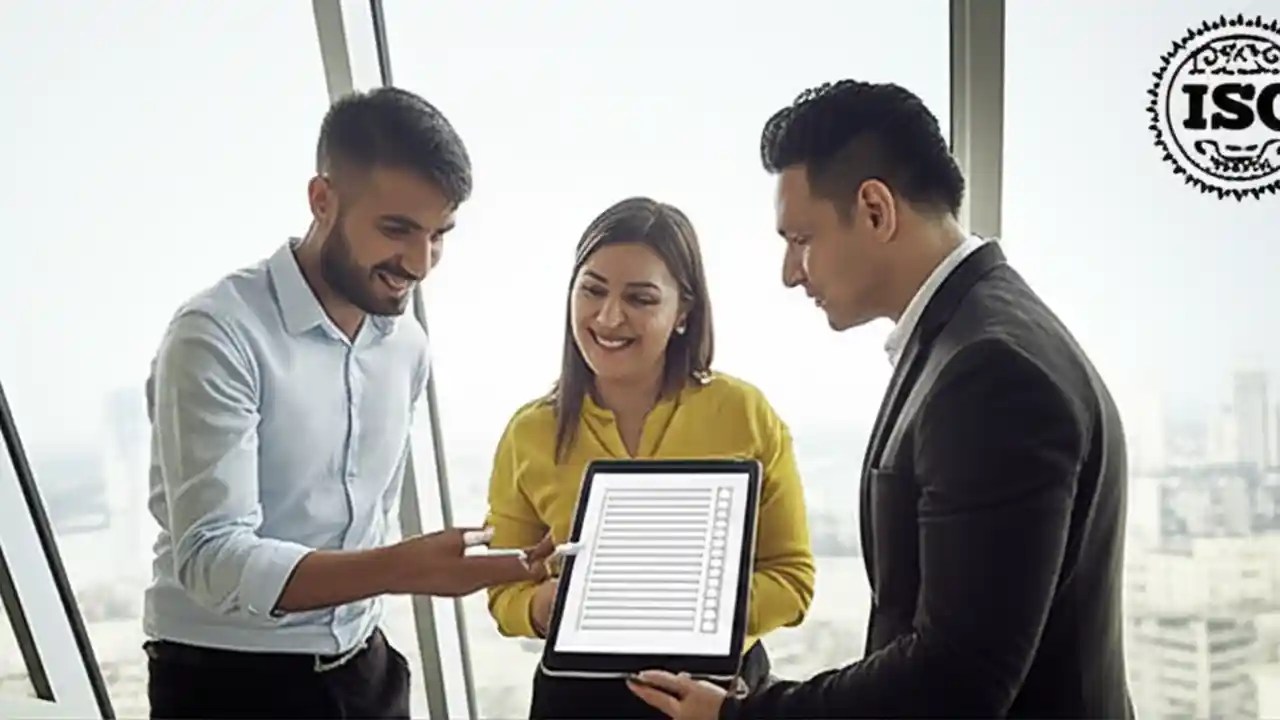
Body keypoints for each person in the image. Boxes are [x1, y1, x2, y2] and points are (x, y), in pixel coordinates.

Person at [628, 81, 1135, 719]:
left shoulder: (990, 371)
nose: (790, 272)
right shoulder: (970, 334)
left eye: (800, 239)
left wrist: (741, 716)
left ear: (875, 210)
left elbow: (955, 680)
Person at [141, 87, 553, 720]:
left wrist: (416, 569)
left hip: (365, 670)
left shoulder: (406, 345)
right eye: (397, 229)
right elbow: (211, 558)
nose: (420, 264)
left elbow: (369, 521)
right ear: (321, 199)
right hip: (226, 684)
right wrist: (401, 569)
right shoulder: (218, 333)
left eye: (439, 235)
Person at [482, 196, 817, 719]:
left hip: (717, 698)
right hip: (579, 702)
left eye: (640, 298)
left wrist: (695, 615)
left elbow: (793, 579)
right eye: (593, 290)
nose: (609, 316)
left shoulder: (743, 413)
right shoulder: (530, 432)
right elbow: (504, 589)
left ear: (683, 312)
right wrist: (540, 607)